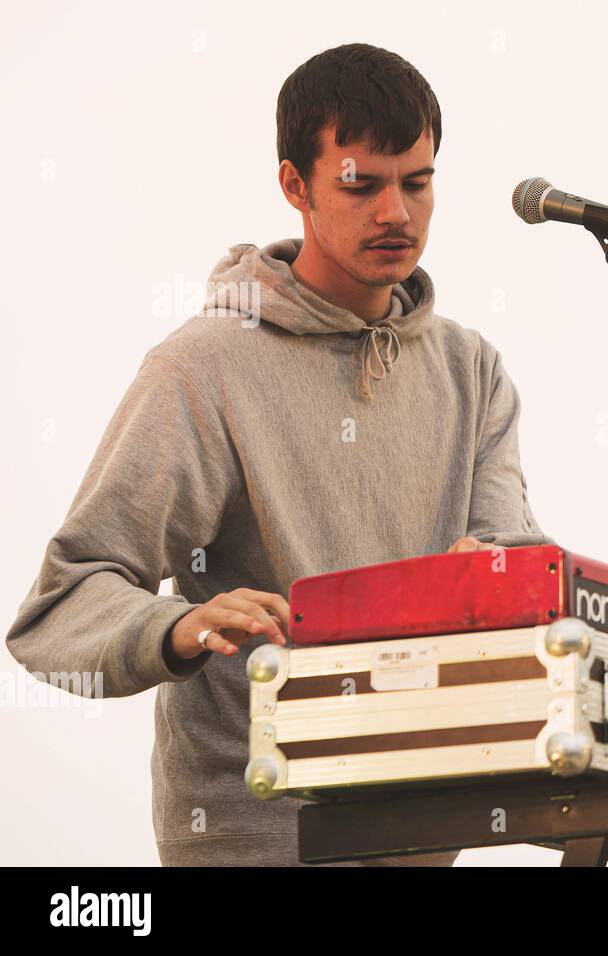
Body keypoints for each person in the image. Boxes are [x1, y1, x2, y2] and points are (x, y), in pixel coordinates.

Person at [5, 43, 550, 866]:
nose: (396, 213)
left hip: (427, 834)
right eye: (361, 186)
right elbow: (63, 601)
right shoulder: (204, 368)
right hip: (255, 839)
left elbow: (514, 557)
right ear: (295, 185)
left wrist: (499, 580)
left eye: (417, 182)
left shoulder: (471, 370)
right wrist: (178, 625)